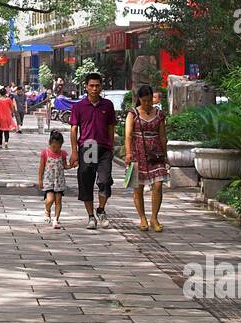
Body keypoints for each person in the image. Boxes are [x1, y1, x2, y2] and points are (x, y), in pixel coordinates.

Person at [69, 72, 116, 229]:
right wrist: (75, 151)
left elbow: (111, 127)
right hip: (88, 146)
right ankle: (90, 216)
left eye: (97, 86)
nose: (94, 89)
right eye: (91, 86)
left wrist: (111, 146)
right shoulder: (79, 106)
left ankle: (101, 210)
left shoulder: (107, 105)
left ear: (101, 87)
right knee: (86, 180)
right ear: (86, 87)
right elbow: (74, 129)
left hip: (104, 147)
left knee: (104, 180)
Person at [124, 84, 168, 231]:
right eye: (144, 101)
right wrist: (129, 153)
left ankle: (154, 217)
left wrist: (165, 154)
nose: (148, 104)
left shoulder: (159, 114)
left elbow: (163, 136)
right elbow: (128, 135)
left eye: (150, 100)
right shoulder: (133, 113)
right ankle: (142, 217)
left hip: (155, 153)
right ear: (139, 100)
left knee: (158, 185)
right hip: (137, 153)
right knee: (138, 188)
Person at [37, 130, 69, 229]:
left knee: (58, 200)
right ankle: (47, 210)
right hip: (49, 181)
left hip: (59, 181)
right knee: (50, 199)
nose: (56, 149)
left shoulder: (63, 154)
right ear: (50, 143)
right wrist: (40, 180)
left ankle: (56, 219)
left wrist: (72, 165)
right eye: (54, 146)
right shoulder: (45, 153)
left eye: (59, 147)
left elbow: (65, 166)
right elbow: (41, 167)